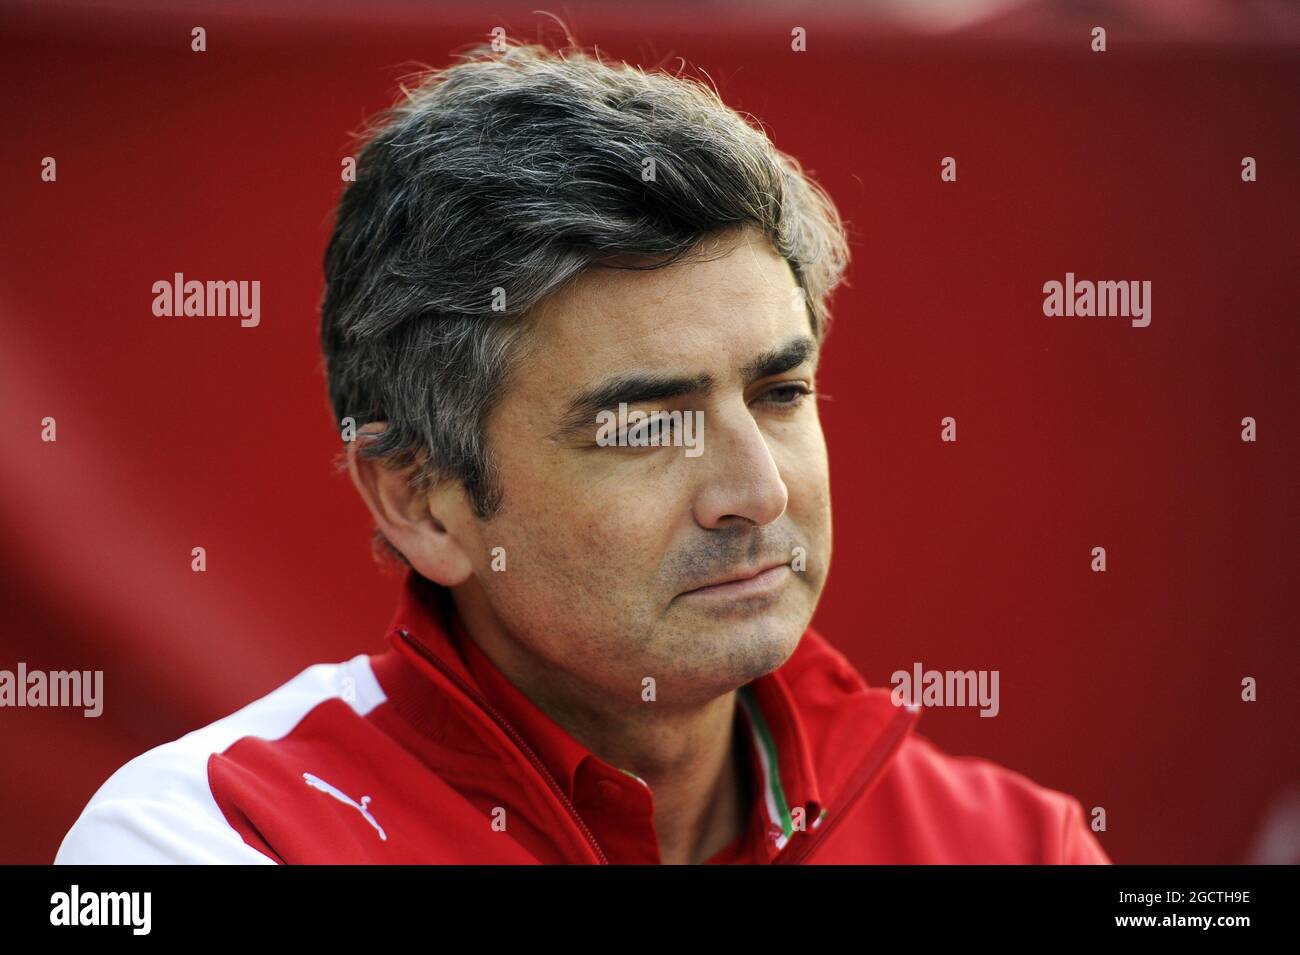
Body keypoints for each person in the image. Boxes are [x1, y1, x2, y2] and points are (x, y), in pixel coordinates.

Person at [55, 39, 1109, 865]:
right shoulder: (217, 836)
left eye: (779, 391)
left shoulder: (1019, 842)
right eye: (647, 423)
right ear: (421, 499)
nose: (755, 490)